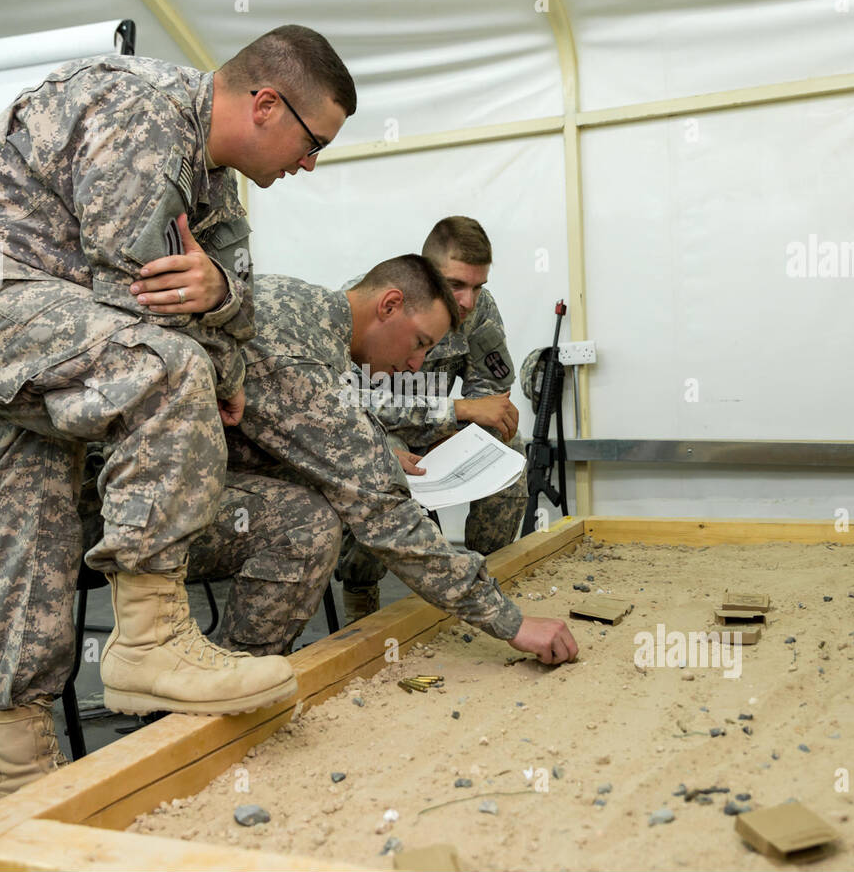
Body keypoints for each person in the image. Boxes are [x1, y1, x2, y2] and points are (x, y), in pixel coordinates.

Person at [0, 25, 355, 807]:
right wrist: (212, 342)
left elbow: (237, 314)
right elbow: (146, 305)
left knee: (25, 513)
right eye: (312, 140)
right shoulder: (146, 109)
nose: (309, 162)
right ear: (267, 104)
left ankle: (20, 779)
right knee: (161, 367)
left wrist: (222, 305)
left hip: (37, 301)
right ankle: (152, 638)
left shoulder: (215, 189)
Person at [131, 255, 578, 662]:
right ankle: (234, 681)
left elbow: (292, 428)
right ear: (389, 305)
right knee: (308, 523)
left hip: (168, 482)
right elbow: (384, 514)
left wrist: (380, 451)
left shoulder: (304, 304)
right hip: (139, 510)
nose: (417, 365)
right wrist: (511, 623)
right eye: (420, 343)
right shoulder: (299, 357)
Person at [336, 216, 526, 620]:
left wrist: (465, 428)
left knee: (507, 440)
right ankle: (360, 589)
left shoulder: (477, 312)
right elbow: (346, 406)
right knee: (378, 465)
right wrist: (451, 413)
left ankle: (485, 577)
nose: (468, 300)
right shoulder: (370, 302)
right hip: (376, 432)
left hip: (437, 429)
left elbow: (490, 391)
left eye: (478, 287)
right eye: (456, 285)